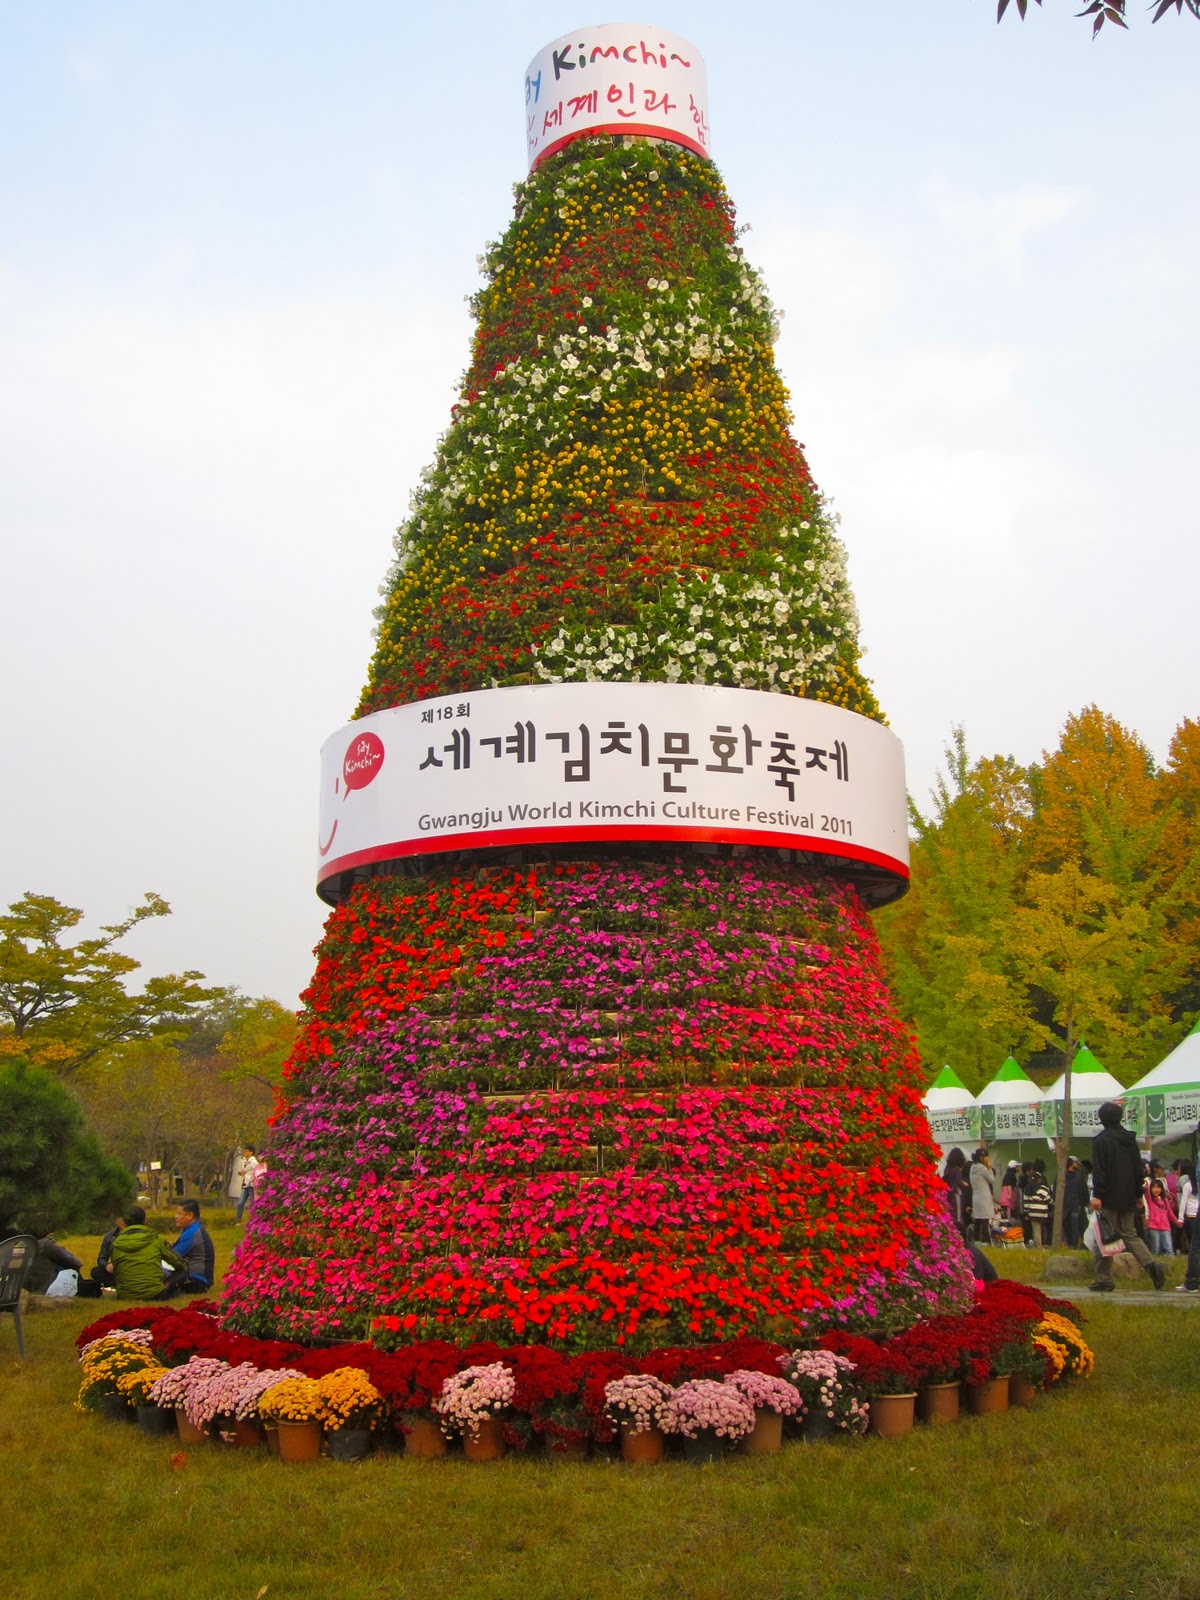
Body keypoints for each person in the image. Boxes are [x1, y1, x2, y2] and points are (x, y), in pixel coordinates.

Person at [1089, 1101, 1164, 1292]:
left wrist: (1097, 1195)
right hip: (1129, 1195)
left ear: (1101, 1119)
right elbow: (1138, 1168)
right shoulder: (1130, 1139)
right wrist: (1138, 1194)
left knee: (1104, 1237)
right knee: (1130, 1233)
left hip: (1108, 1196)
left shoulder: (1101, 1140)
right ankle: (1151, 1265)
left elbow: (1100, 1170)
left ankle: (1104, 1279)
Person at [106, 1205, 184, 1300]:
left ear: (124, 1223)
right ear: (145, 1220)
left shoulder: (115, 1243)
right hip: (156, 1294)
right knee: (182, 1272)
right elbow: (179, 1263)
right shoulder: (156, 1239)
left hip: (125, 1295)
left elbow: (116, 1269)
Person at [162, 1200, 215, 1295]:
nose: (176, 1216)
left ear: (190, 1215)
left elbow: (172, 1257)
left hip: (196, 1282)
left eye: (179, 1214)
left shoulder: (193, 1232)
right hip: (194, 1278)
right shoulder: (193, 1228)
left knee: (153, 1265)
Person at [942, 1147, 971, 1242]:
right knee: (958, 1217)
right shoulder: (957, 1169)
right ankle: (959, 1236)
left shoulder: (947, 1169)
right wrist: (965, 1184)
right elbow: (958, 1182)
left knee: (951, 1215)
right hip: (956, 1194)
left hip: (948, 1194)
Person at [1021, 1162, 1053, 1247]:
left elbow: (1026, 1203)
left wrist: (1026, 1212)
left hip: (1033, 1212)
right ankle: (1039, 1244)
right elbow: (1049, 1200)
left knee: (1036, 1231)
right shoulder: (1044, 1188)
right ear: (1039, 1180)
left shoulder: (1027, 1190)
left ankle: (1038, 1247)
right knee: (1041, 1231)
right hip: (1043, 1213)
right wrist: (1053, 1204)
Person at [1061, 1158, 1089, 1248]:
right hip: (1076, 1204)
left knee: (1065, 1224)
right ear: (1071, 1165)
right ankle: (1074, 1244)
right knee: (1075, 1225)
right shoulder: (1078, 1176)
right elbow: (1084, 1190)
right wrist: (1085, 1202)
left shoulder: (1060, 1176)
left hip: (1064, 1204)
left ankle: (1066, 1242)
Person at [969, 1150, 996, 1243]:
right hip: (984, 1197)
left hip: (976, 1197)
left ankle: (977, 1241)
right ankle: (985, 1241)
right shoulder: (983, 1169)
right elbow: (991, 1180)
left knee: (978, 1220)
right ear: (982, 1158)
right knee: (985, 1220)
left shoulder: (972, 1167)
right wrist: (990, 1168)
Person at [1144, 1179, 1176, 1257]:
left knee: (1169, 1248)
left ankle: (1172, 1265)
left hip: (1165, 1227)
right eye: (1154, 1187)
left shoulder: (1165, 1200)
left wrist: (1177, 1222)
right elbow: (1145, 1192)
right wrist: (1146, 1186)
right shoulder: (1150, 1199)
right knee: (1155, 1249)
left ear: (1161, 1189)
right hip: (1154, 1227)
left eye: (1158, 1188)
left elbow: (1170, 1213)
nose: (1156, 1190)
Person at [235, 1146, 261, 1223]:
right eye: (245, 1151)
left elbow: (256, 1172)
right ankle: (238, 1219)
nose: (245, 1152)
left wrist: (249, 1177)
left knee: (253, 1203)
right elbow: (244, 1171)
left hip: (251, 1184)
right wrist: (241, 1173)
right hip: (245, 1184)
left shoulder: (254, 1162)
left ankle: (254, 1219)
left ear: (251, 1152)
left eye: (247, 1151)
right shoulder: (245, 1161)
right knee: (240, 1202)